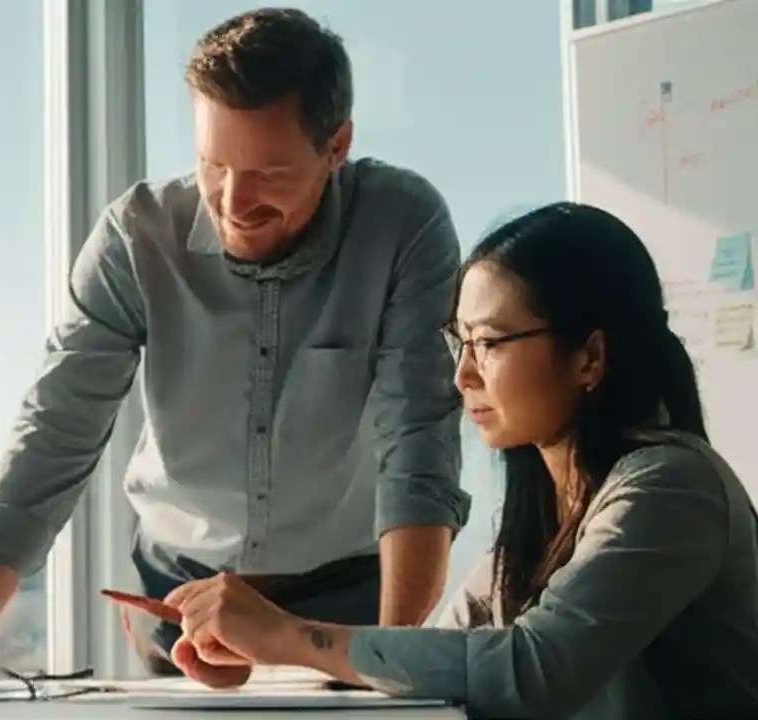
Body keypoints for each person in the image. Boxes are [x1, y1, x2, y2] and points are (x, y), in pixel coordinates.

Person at [0, 7, 469, 683]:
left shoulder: (402, 221)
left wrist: (394, 658)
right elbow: (54, 435)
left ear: (337, 147)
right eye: (213, 165)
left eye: (269, 173)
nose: (232, 203)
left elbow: (417, 435)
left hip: (349, 599)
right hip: (175, 600)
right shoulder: (135, 236)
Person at [159, 203, 758, 718]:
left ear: (589, 358)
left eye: (490, 344)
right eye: (460, 341)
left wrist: (289, 637)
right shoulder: (547, 505)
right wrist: (261, 655)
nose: (462, 374)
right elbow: (448, 659)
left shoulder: (670, 485)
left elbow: (530, 670)